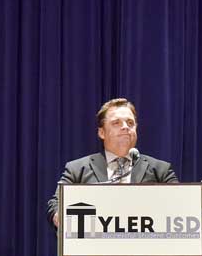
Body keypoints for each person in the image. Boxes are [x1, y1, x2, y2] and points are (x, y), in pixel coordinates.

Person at [46, 97, 178, 227]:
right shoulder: (77, 169)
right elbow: (56, 203)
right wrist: (60, 216)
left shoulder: (160, 170)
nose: (125, 127)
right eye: (116, 123)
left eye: (130, 123)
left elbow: (179, 203)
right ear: (102, 133)